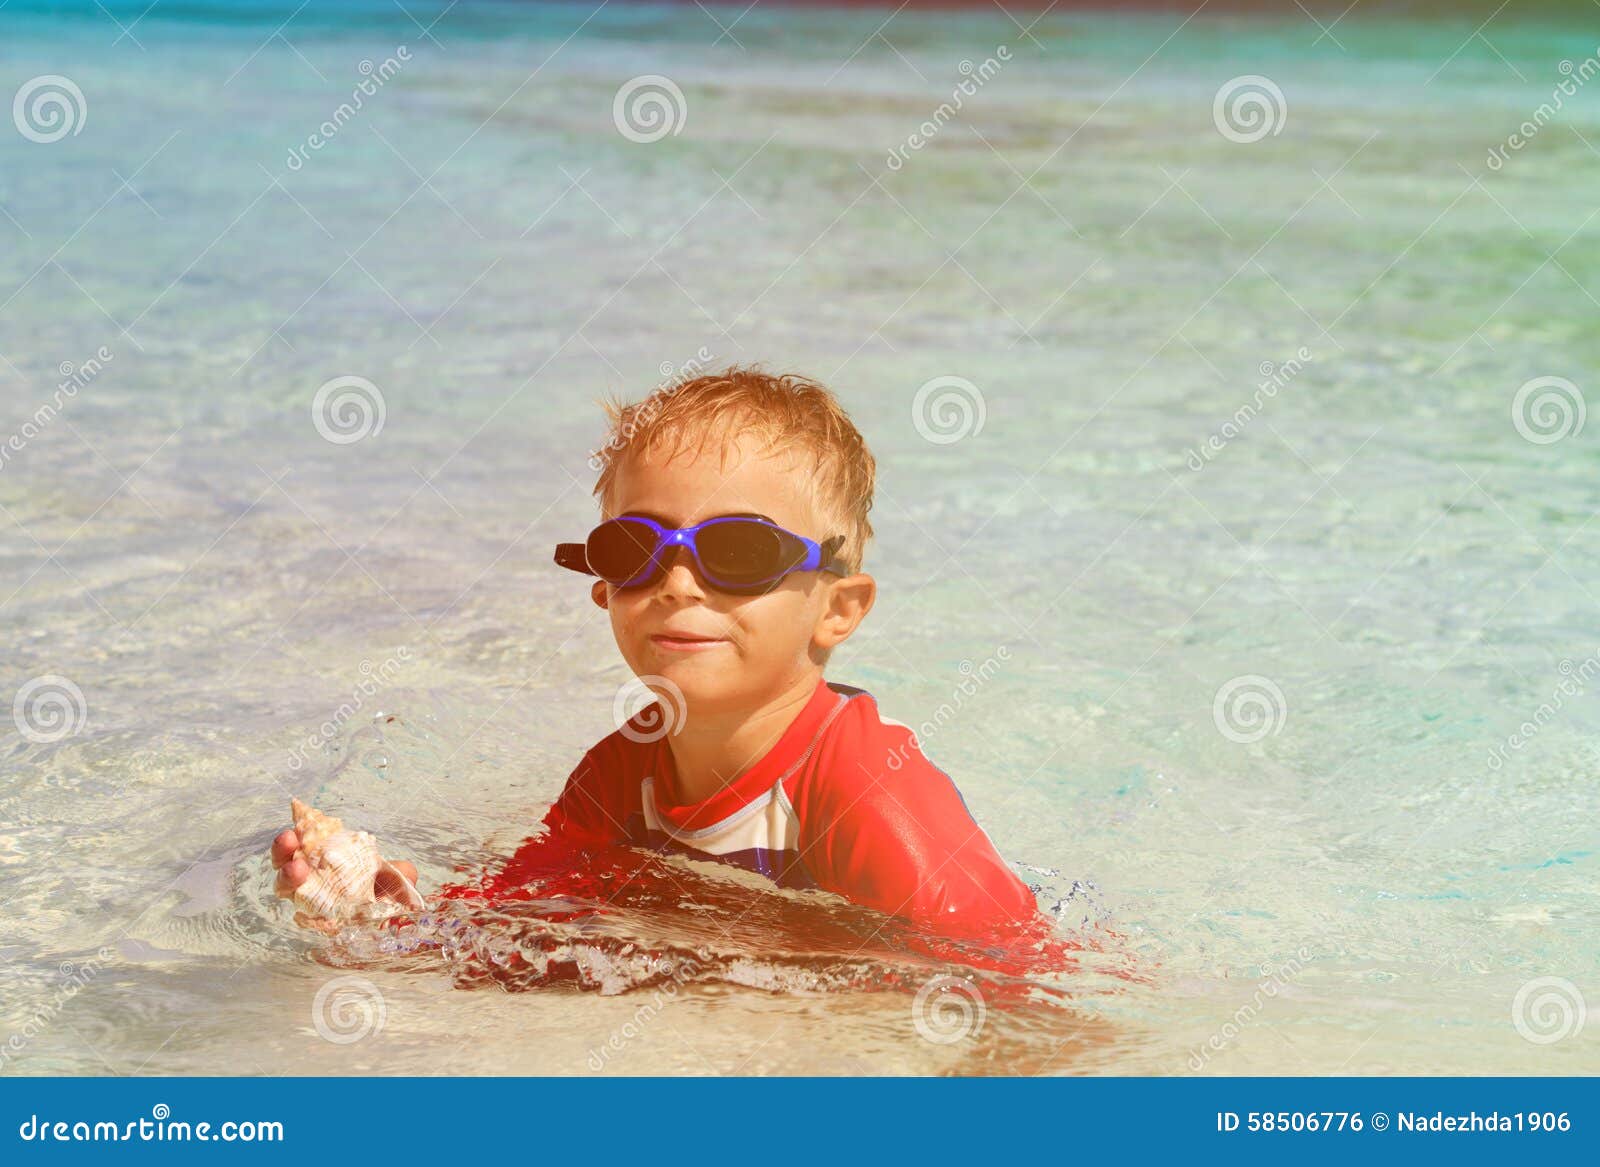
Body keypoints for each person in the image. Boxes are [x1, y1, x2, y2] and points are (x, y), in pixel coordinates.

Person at [274, 366, 1043, 944]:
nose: (677, 583)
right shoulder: (618, 772)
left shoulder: (862, 792)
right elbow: (508, 933)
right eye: (636, 548)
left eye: (738, 550)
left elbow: (1017, 993)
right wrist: (383, 915)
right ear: (604, 590)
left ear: (837, 609)